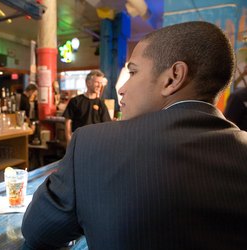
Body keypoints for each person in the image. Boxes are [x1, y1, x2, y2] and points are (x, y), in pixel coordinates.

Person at [21, 21, 247, 250]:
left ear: (173, 78)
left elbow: (37, 231)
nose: (122, 88)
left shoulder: (92, 145)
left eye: (133, 72)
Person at [63, 70, 111, 142]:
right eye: (97, 82)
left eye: (101, 83)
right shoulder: (75, 101)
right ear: (88, 83)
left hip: (96, 141)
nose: (99, 86)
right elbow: (67, 122)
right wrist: (69, 141)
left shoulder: (101, 104)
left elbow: (106, 125)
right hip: (78, 140)